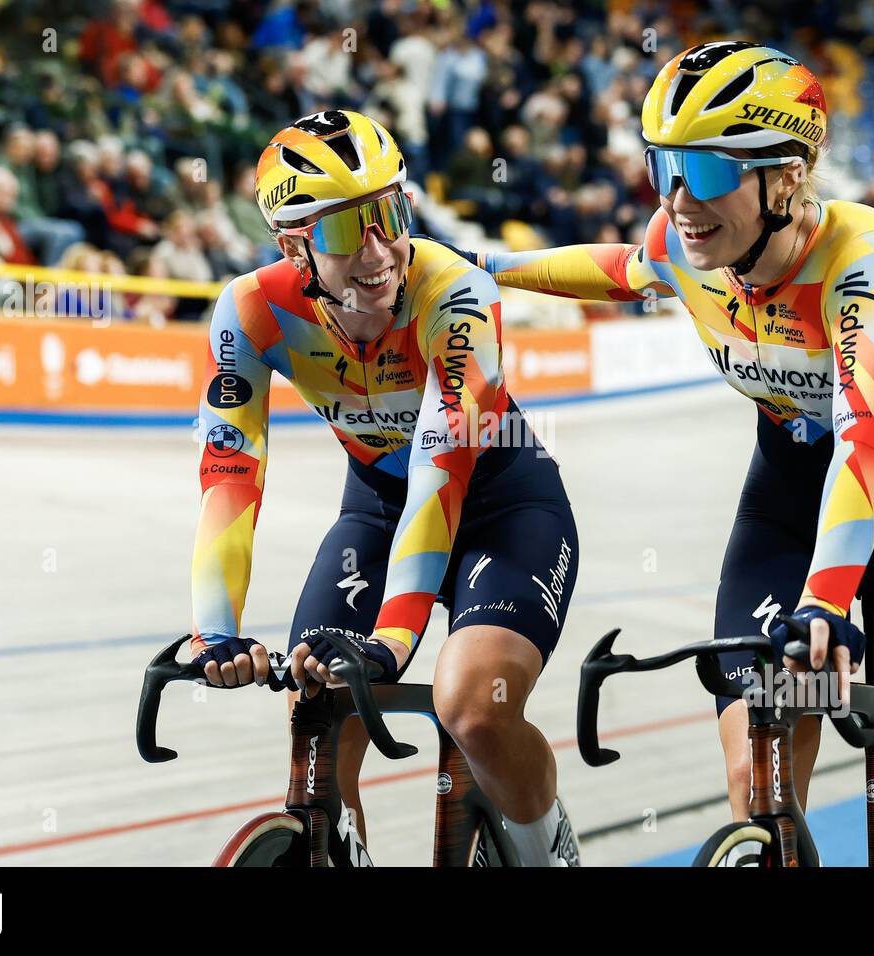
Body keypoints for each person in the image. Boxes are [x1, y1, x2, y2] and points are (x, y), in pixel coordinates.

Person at [467, 42, 874, 867]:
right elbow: (621, 268)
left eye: (708, 172)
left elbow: (866, 440)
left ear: (786, 176)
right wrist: (485, 267)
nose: (680, 200)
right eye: (664, 167)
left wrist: (827, 603)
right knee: (758, 780)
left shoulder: (869, 266)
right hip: (789, 497)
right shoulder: (689, 243)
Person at [188, 110, 580, 866]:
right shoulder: (249, 312)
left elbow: (440, 476)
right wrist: (214, 628)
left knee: (472, 708)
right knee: (319, 708)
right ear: (293, 248)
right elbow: (230, 476)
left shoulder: (456, 294)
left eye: (389, 214)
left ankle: (545, 851)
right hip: (374, 512)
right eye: (345, 231)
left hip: (502, 507)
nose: (378, 251)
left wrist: (391, 639)